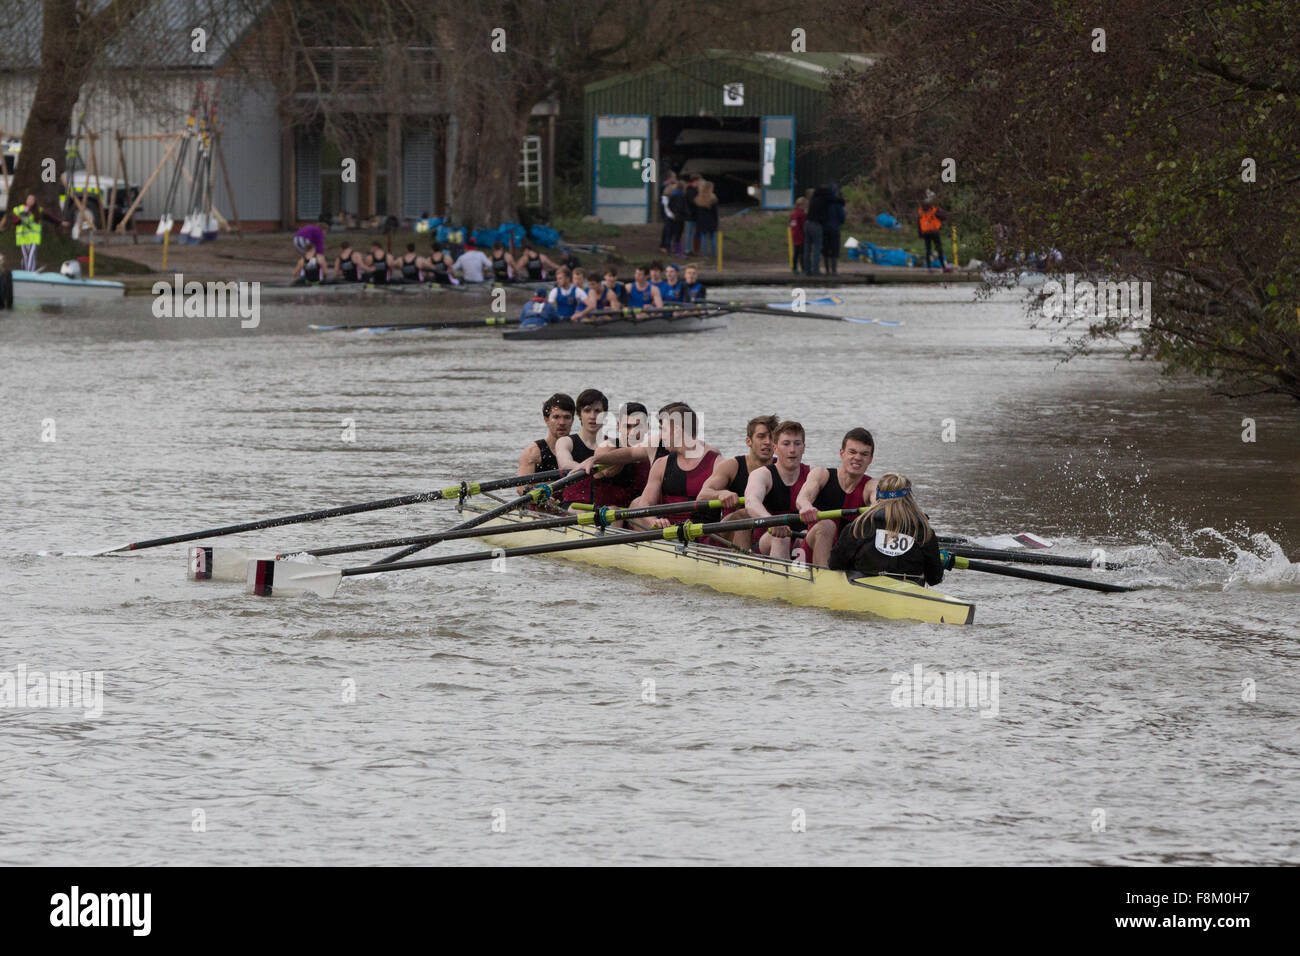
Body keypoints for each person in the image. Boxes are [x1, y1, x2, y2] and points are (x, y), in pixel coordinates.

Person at [828, 473, 950, 585]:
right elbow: (934, 578)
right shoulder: (924, 532)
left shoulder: (859, 527)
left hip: (862, 590)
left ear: (878, 497)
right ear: (909, 498)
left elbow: (834, 564)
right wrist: (941, 562)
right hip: (907, 595)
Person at [629, 402, 722, 528]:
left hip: (705, 535)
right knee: (636, 504)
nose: (661, 436)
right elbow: (645, 504)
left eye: (664, 430)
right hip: (668, 535)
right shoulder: (661, 464)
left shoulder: (717, 463)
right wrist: (653, 521)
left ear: (677, 431)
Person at [695, 413, 779, 549]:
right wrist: (720, 494)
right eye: (761, 436)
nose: (767, 442)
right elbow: (702, 495)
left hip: (767, 530)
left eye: (772, 437)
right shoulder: (732, 466)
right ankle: (743, 562)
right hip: (730, 530)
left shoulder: (781, 468)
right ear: (748, 441)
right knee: (744, 514)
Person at [795, 427, 876, 566]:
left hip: (846, 557)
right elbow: (803, 497)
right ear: (842, 453)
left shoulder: (871, 485)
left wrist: (878, 507)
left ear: (870, 459)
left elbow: (878, 501)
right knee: (827, 525)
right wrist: (806, 507)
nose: (857, 458)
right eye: (852, 452)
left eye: (864, 454)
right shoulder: (822, 474)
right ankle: (824, 578)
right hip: (810, 554)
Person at [743, 420, 811, 560]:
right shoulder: (763, 474)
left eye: (797, 444)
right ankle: (781, 579)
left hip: (799, 541)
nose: (792, 450)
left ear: (804, 448)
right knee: (782, 536)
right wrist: (771, 521)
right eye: (786, 444)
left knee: (808, 533)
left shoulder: (813, 474)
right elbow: (751, 502)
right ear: (775, 448)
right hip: (766, 543)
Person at [556, 388, 614, 508]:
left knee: (613, 509)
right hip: (573, 506)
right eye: (587, 411)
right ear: (579, 415)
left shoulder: (613, 443)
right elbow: (565, 464)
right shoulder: (565, 442)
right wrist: (592, 467)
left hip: (605, 507)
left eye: (597, 411)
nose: (593, 416)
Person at [516, 392, 574, 494]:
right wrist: (541, 497)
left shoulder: (579, 446)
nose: (562, 422)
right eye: (556, 417)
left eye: (567, 417)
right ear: (546, 419)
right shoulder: (533, 453)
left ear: (573, 420)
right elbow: (521, 489)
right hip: (541, 506)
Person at [7, 193, 65, 271]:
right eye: (29, 199)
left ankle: (29, 273)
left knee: (31, 255)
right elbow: (16, 222)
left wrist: (60, 222)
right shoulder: (18, 209)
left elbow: (49, 217)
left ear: (35, 201)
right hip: (23, 237)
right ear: (26, 200)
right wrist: (25, 213)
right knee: (25, 256)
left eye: (32, 200)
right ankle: (25, 270)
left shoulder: (38, 210)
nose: (30, 201)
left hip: (34, 237)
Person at [916, 190, 948, 270]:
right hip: (934, 231)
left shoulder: (920, 210)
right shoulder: (935, 209)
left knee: (928, 250)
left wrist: (920, 234)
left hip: (925, 232)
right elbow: (944, 217)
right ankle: (943, 267)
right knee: (939, 249)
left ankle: (929, 268)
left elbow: (919, 223)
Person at [804, 186, 829, 275]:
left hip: (807, 223)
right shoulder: (822, 201)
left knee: (807, 248)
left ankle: (807, 269)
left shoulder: (813, 200)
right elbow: (824, 216)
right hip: (816, 224)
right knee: (817, 247)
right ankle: (815, 270)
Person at [822, 184, 846, 275]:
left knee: (826, 249)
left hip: (825, 228)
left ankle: (827, 270)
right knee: (835, 249)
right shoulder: (838, 203)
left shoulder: (824, 202)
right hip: (835, 228)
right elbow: (842, 216)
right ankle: (834, 270)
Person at [694, 179, 719, 257]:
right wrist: (716, 221)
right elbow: (715, 212)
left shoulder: (698, 198)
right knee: (713, 239)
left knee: (704, 238)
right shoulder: (713, 198)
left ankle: (705, 254)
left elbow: (697, 212)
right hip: (711, 221)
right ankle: (714, 254)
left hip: (702, 221)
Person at [659, 172, 678, 253]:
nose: (675, 179)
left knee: (671, 230)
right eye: (674, 177)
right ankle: (665, 246)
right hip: (668, 212)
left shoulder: (672, 187)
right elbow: (664, 203)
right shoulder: (664, 187)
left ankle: (669, 247)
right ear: (669, 178)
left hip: (671, 212)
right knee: (668, 229)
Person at [667, 179, 687, 255]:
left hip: (675, 216)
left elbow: (669, 205)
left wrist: (673, 212)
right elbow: (682, 207)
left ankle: (671, 249)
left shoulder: (673, 195)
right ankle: (678, 251)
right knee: (678, 234)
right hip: (680, 217)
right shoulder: (681, 196)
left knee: (673, 233)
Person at [789, 196, 807, 274]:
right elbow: (803, 226)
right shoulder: (802, 214)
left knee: (796, 253)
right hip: (801, 236)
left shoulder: (793, 214)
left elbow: (791, 224)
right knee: (802, 253)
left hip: (794, 235)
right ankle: (803, 268)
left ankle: (794, 268)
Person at [683, 174, 700, 255]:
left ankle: (689, 249)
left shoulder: (690, 190)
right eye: (698, 181)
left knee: (690, 233)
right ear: (695, 181)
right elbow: (693, 202)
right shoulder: (692, 190)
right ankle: (688, 249)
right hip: (691, 215)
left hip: (691, 214)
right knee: (690, 233)